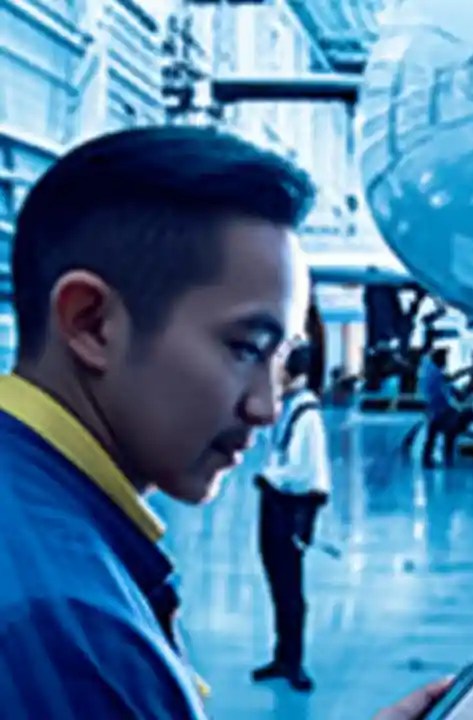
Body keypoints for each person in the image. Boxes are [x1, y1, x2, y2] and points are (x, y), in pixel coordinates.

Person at [0, 126, 449, 718]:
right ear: (91, 324)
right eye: (245, 348)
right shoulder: (68, 630)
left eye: (280, 359)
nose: (265, 406)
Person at [252, 343, 329, 692]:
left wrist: (269, 477)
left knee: (290, 587)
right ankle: (281, 656)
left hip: (292, 506)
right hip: (276, 499)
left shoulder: (306, 414)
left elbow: (302, 472)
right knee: (277, 582)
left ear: (292, 372)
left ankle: (294, 662)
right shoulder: (289, 407)